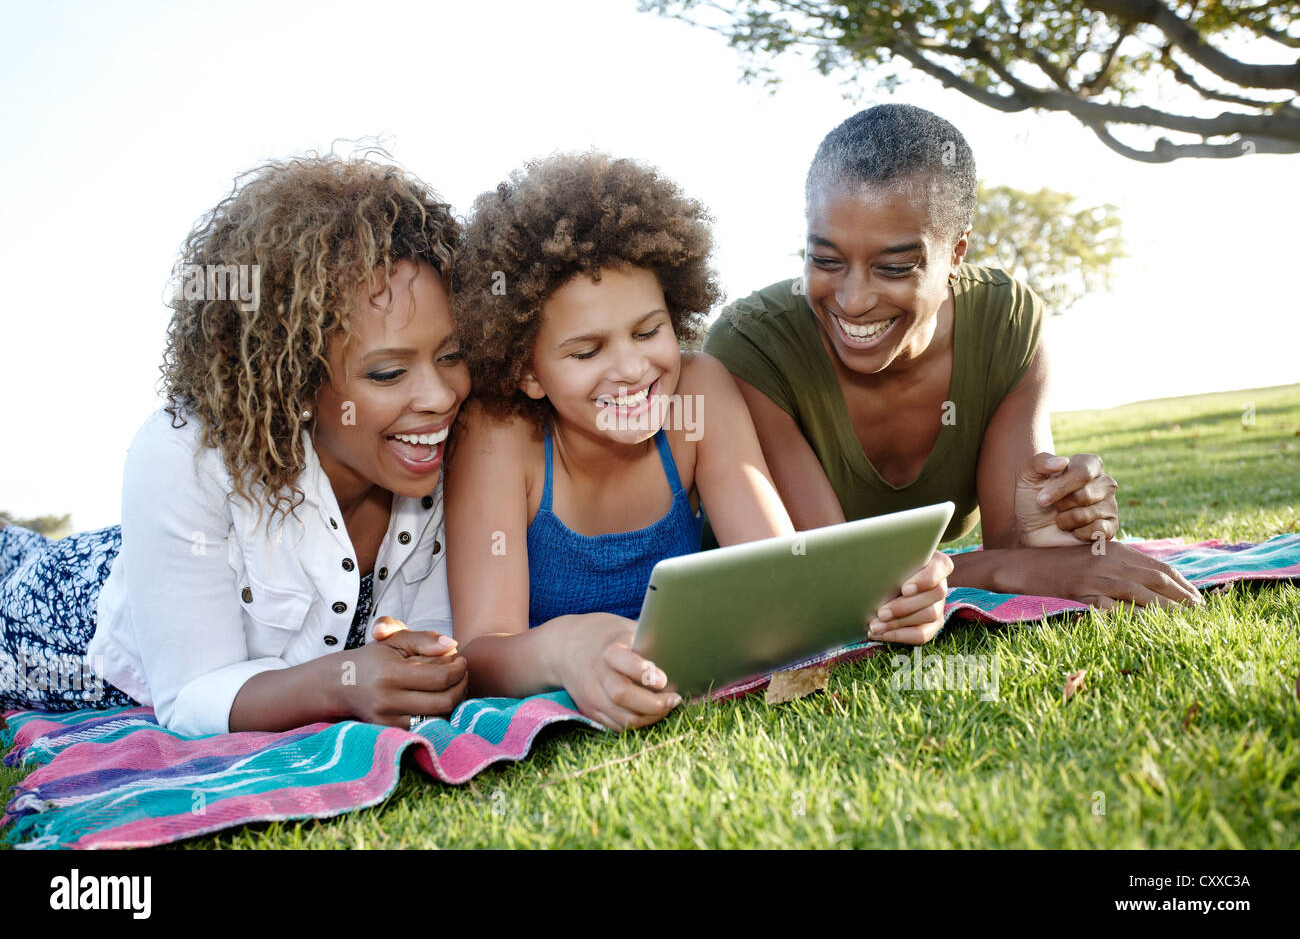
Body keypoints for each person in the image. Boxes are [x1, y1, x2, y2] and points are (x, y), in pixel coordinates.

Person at [445, 152, 953, 732]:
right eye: (587, 352)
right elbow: (479, 656)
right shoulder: (499, 434)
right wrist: (569, 648)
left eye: (648, 330)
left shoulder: (700, 392)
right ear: (527, 372)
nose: (632, 370)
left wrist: (894, 596)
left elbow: (781, 572)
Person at [0, 155, 471, 735]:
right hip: (69, 618)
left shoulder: (446, 457)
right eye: (387, 374)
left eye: (450, 355)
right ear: (296, 378)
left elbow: (434, 644)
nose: (441, 395)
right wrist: (342, 682)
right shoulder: (184, 452)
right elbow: (190, 698)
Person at [703, 104, 1202, 612]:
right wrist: (1012, 567)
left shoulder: (1004, 322)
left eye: (895, 267)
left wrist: (1052, 526)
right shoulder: (754, 345)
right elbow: (832, 576)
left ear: (956, 253)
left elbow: (1018, 547)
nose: (852, 300)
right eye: (825, 260)